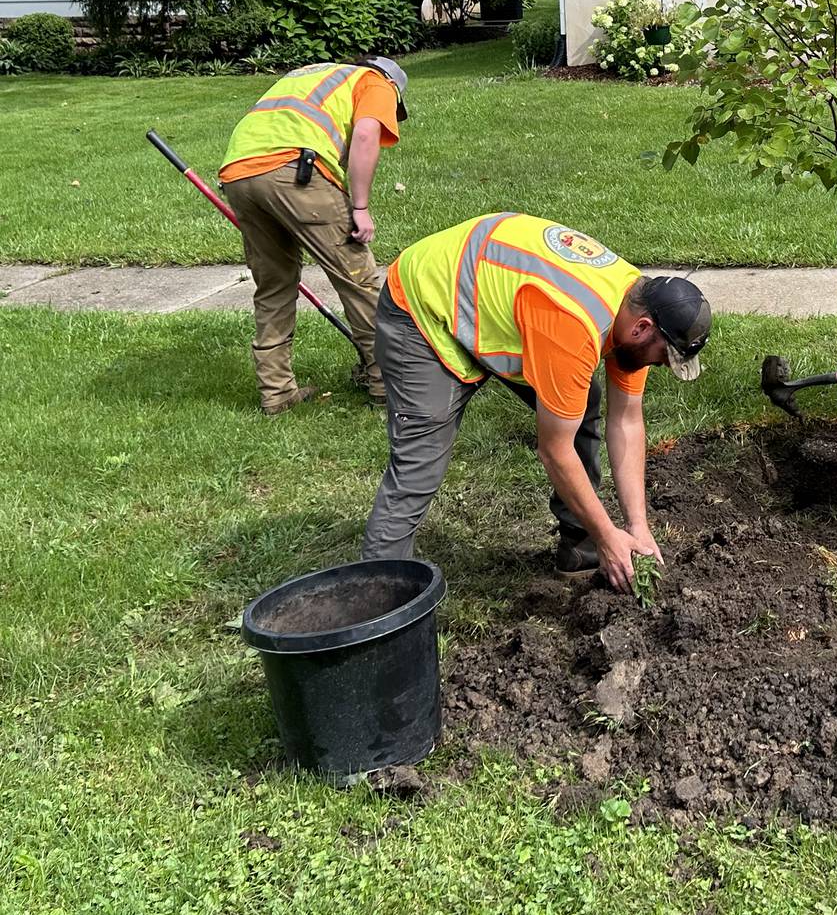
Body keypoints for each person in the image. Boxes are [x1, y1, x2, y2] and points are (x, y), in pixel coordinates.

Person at [359, 213, 712, 591]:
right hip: (425, 304)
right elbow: (554, 450)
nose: (659, 366)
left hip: (499, 298)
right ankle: (382, 599)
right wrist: (610, 533)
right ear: (642, 329)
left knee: (580, 403)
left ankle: (582, 548)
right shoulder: (577, 324)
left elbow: (626, 421)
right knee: (420, 462)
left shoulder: (636, 304)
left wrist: (637, 526)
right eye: (663, 357)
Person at [220, 57, 408, 415]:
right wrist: (361, 207)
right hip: (296, 170)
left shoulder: (311, 74)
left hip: (238, 173)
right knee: (358, 278)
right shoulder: (376, 81)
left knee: (274, 284)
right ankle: (388, 384)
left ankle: (276, 393)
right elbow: (366, 134)